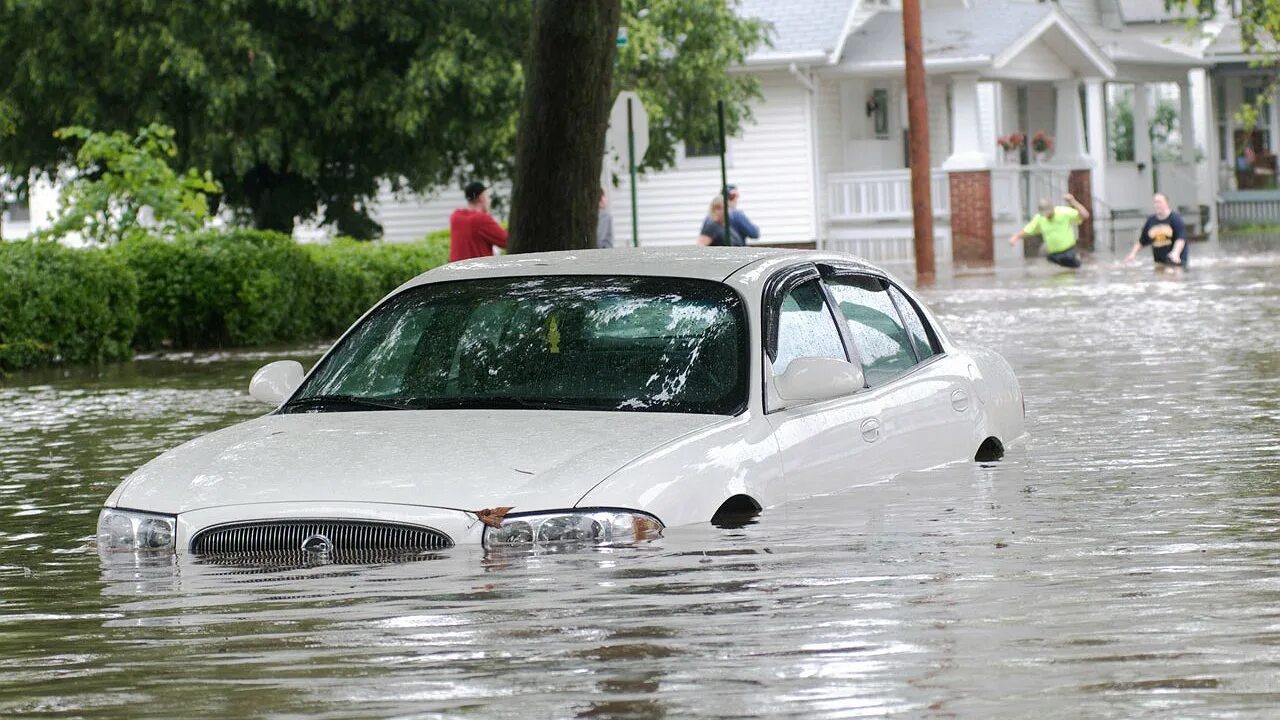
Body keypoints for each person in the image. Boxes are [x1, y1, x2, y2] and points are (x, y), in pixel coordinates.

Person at [1008, 193, 1090, 268]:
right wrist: (1015, 237)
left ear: (1052, 209)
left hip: (1069, 252)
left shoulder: (1064, 212)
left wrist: (1073, 202)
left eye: (1047, 213)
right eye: (1044, 214)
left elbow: (1085, 215)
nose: (1046, 216)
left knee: (1075, 270)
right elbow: (1028, 229)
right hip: (1053, 255)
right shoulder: (1040, 218)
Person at [1124, 193, 1187, 269]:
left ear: (1166, 203)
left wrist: (1175, 253)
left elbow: (1181, 239)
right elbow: (1142, 241)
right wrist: (1132, 254)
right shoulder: (1150, 221)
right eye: (1155, 202)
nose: (1157, 205)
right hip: (1159, 263)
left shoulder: (1175, 219)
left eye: (1159, 202)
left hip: (1176, 261)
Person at [449, 181, 508, 262]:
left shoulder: (455, 217)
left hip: (456, 271)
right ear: (481, 198)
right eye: (488, 197)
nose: (489, 201)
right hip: (479, 272)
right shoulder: (480, 219)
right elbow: (506, 241)